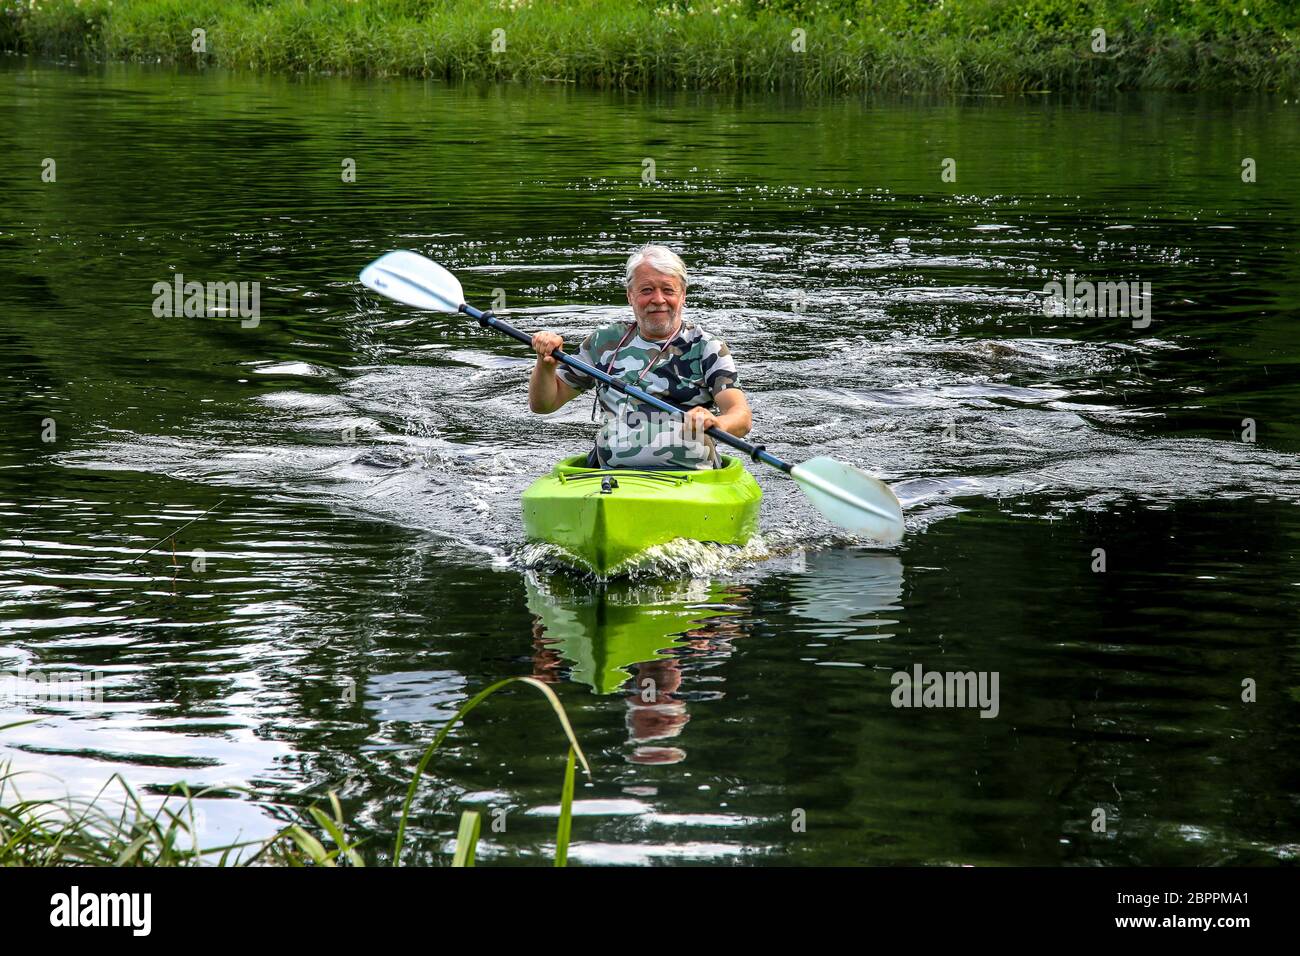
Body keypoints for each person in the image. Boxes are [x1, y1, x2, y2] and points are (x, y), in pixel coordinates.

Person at [527, 244, 752, 469]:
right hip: (610, 478)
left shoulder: (707, 347)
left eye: (668, 290)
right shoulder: (602, 342)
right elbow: (544, 405)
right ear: (630, 296)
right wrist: (545, 363)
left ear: (682, 296)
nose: (658, 299)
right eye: (646, 290)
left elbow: (741, 417)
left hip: (692, 477)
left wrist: (716, 422)